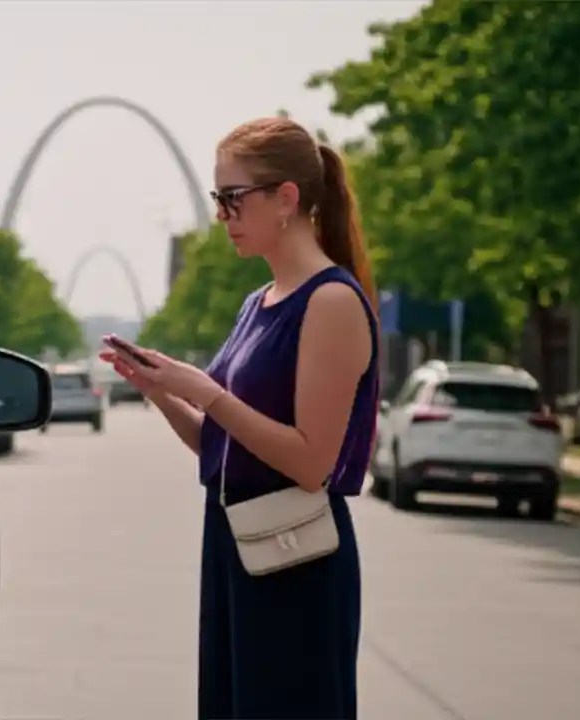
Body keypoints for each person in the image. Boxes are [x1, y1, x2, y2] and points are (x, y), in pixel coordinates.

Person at [100, 116, 379, 720]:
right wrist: (160, 391)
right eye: (217, 199)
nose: (222, 215)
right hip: (237, 546)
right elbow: (222, 448)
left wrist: (205, 389)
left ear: (286, 199)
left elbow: (310, 463)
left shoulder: (330, 301)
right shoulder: (259, 302)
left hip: (295, 563)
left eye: (232, 198)